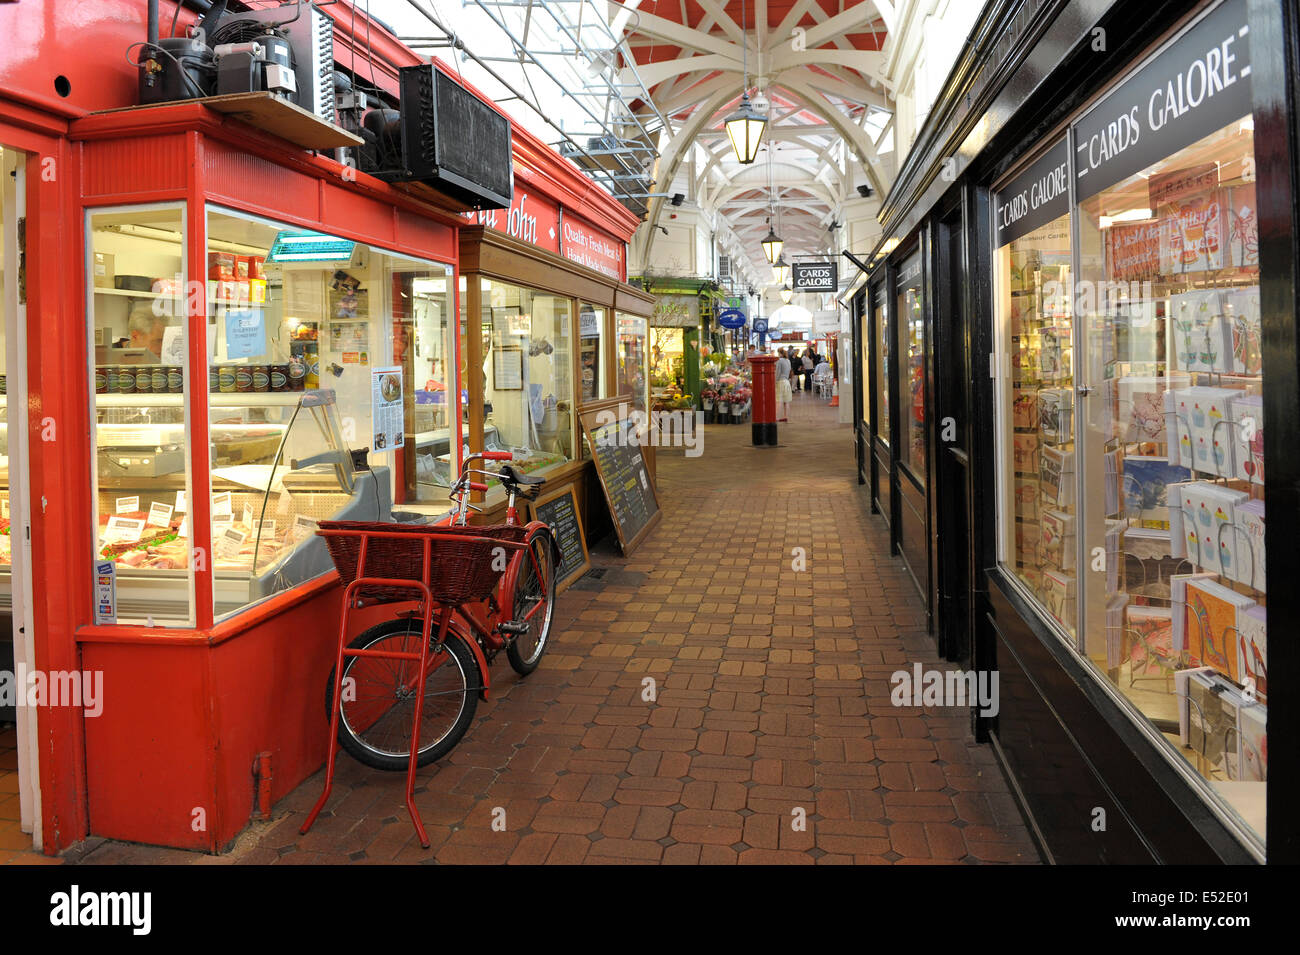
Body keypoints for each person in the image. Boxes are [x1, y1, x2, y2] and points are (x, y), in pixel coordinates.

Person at [775, 347, 792, 421]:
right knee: (786, 401)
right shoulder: (788, 361)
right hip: (787, 382)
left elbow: (778, 372)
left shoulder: (779, 360)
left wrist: (775, 381)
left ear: (780, 353)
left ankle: (775, 417)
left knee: (778, 401)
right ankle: (785, 416)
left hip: (780, 382)